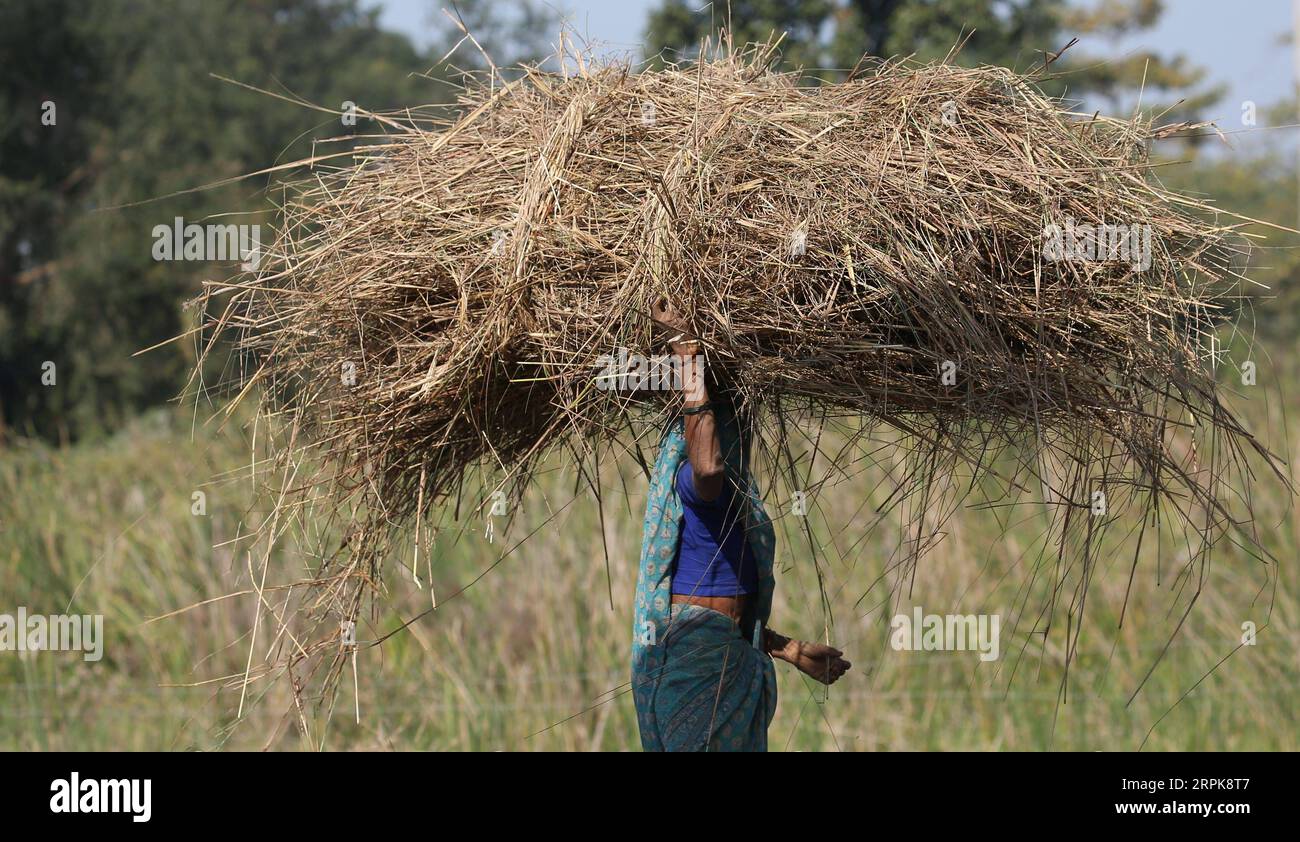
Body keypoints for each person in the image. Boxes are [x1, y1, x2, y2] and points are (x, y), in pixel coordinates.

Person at [630, 298, 850, 752]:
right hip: (694, 670)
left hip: (730, 656)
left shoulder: (735, 503)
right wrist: (688, 354)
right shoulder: (697, 488)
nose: (739, 441)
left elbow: (724, 617)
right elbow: (708, 466)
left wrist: (788, 649)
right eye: (728, 428)